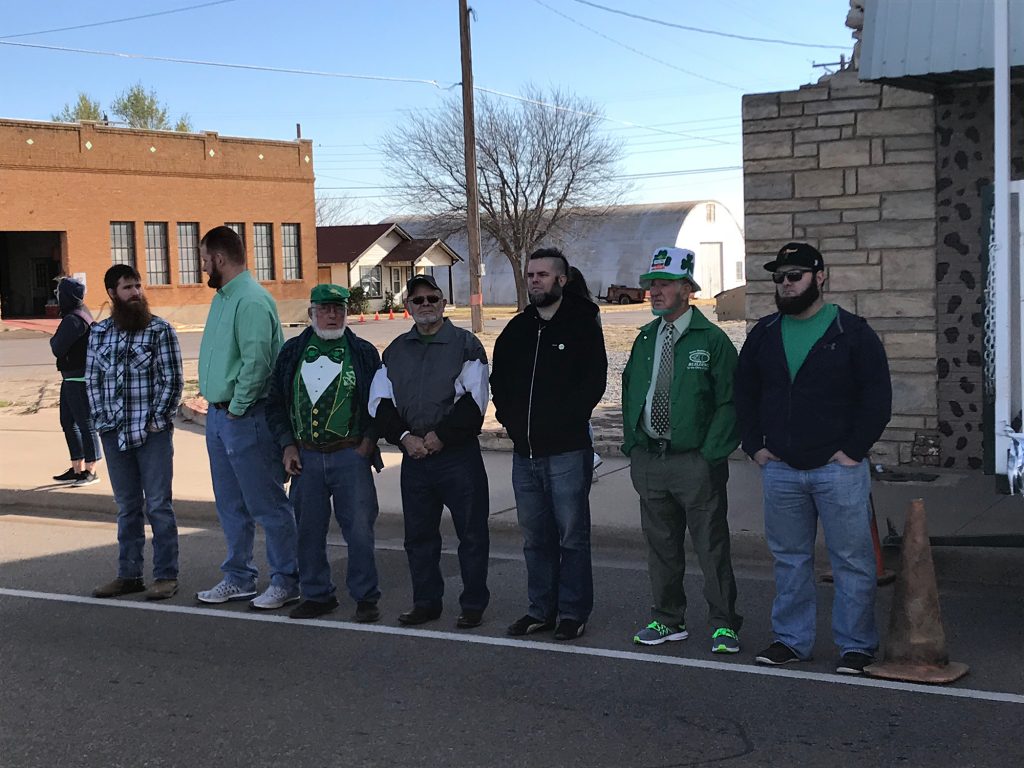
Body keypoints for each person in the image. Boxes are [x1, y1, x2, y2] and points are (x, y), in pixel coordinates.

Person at [735, 242, 892, 676]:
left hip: (837, 470)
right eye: (780, 277)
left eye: (795, 275)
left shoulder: (851, 331)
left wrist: (853, 451)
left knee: (852, 560)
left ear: (819, 277)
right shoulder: (764, 333)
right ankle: (791, 640)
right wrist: (754, 444)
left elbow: (877, 398)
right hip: (781, 468)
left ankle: (857, 646)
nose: (786, 284)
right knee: (789, 559)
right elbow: (743, 393)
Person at [622, 247, 743, 654]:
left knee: (711, 545)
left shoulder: (712, 340)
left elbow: (730, 401)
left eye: (665, 284)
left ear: (687, 289)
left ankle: (724, 624)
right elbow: (631, 392)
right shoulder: (645, 338)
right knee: (661, 545)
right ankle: (667, 618)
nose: (655, 292)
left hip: (696, 462)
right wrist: (634, 444)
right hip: (651, 460)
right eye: (652, 284)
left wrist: (711, 453)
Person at [491, 248, 607, 641]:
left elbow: (593, 383)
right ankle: (541, 609)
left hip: (567, 452)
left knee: (572, 537)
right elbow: (500, 382)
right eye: (530, 275)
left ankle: (573, 612)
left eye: (543, 274)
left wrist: (562, 421)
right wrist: (510, 421)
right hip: (525, 455)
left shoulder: (582, 324)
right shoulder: (518, 329)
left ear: (561, 279)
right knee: (535, 538)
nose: (535, 281)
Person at [369, 274, 490, 629]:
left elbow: (475, 400)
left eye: (432, 298)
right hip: (415, 459)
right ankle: (426, 602)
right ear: (407, 307)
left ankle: (472, 605)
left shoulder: (466, 345)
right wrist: (405, 437)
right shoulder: (395, 351)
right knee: (419, 537)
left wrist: (441, 437)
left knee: (471, 534)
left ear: (443, 302)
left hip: (457, 457)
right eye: (417, 300)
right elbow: (380, 402)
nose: (425, 305)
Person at [195, 226, 299, 610]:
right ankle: (238, 578)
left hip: (246, 418)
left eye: (204, 258)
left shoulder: (251, 301)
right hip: (221, 419)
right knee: (230, 505)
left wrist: (236, 408)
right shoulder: (224, 297)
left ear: (219, 259)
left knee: (267, 504)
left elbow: (258, 364)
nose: (202, 264)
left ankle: (287, 579)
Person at [265, 284, 383, 622]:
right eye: (325, 309)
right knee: (308, 529)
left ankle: (365, 597)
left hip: (351, 455)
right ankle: (317, 594)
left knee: (359, 529)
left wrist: (369, 441)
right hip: (307, 456)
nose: (333, 315)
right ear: (311, 313)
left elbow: (380, 402)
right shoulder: (292, 352)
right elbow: (275, 404)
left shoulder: (362, 352)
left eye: (339, 309)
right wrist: (287, 444)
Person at [85, 265, 183, 600]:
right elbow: (93, 381)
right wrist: (102, 420)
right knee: (127, 506)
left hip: (152, 433)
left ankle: (166, 576)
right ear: (112, 293)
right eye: (128, 287)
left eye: (138, 286)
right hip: (114, 433)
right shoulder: (98, 334)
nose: (136, 293)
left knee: (158, 505)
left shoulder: (160, 330)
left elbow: (173, 381)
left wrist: (157, 418)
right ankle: (129, 574)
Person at [50, 277, 102, 486]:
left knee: (85, 424)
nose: (57, 296)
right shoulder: (80, 313)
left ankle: (91, 471)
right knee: (68, 423)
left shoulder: (74, 319)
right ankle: (76, 467)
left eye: (59, 293)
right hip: (70, 378)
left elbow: (56, 347)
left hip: (79, 379)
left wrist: (54, 340)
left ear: (67, 296)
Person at [563, 265, 604, 482]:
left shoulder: (579, 313)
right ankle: (589, 459)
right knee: (582, 419)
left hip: (572, 374)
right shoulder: (591, 310)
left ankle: (588, 458)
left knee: (578, 420)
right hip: (580, 374)